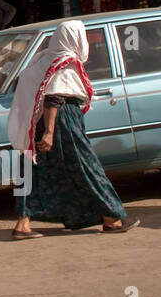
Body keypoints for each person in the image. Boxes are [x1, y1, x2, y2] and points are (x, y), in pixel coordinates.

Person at [8, 20, 138, 237]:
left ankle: (23, 224)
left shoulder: (41, 60)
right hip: (62, 121)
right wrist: (49, 133)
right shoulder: (64, 63)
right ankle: (112, 218)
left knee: (33, 171)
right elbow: (54, 97)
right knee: (86, 166)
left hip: (37, 123)